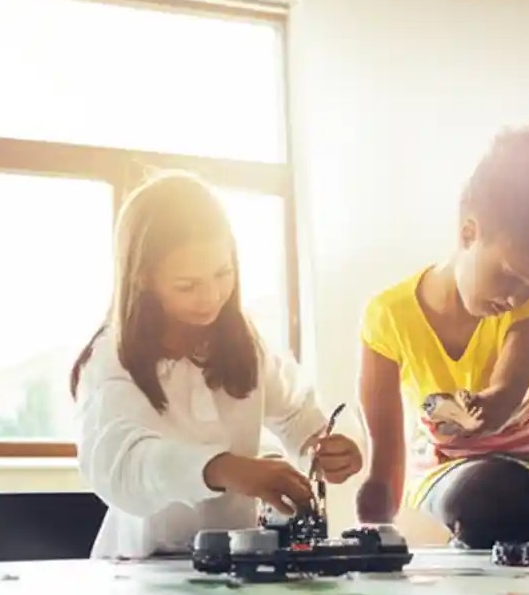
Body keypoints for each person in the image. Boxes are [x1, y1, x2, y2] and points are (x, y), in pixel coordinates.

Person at [72, 171, 363, 559]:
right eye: (186, 286)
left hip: (237, 565)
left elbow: (301, 414)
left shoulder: (246, 343)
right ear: (143, 279)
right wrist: (224, 469)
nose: (210, 297)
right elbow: (120, 465)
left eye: (222, 274)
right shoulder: (111, 356)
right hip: (140, 569)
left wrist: (330, 445)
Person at [357, 129, 529, 548]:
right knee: (490, 493)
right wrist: (372, 525)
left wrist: (488, 404)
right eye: (511, 276)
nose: (515, 296)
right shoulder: (387, 316)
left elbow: (503, 397)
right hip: (457, 472)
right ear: (468, 232)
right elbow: (385, 449)